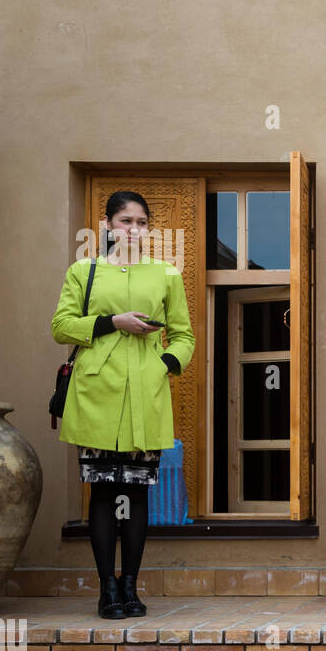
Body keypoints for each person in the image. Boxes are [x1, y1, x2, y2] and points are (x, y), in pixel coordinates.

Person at [50, 191, 195, 619]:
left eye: (142, 222)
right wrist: (113, 322)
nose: (134, 229)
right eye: (126, 221)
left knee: (135, 493)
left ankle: (131, 586)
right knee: (102, 493)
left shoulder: (166, 274)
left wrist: (164, 364)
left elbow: (184, 335)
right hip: (96, 396)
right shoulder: (84, 270)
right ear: (109, 225)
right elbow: (61, 326)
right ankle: (106, 589)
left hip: (145, 397)